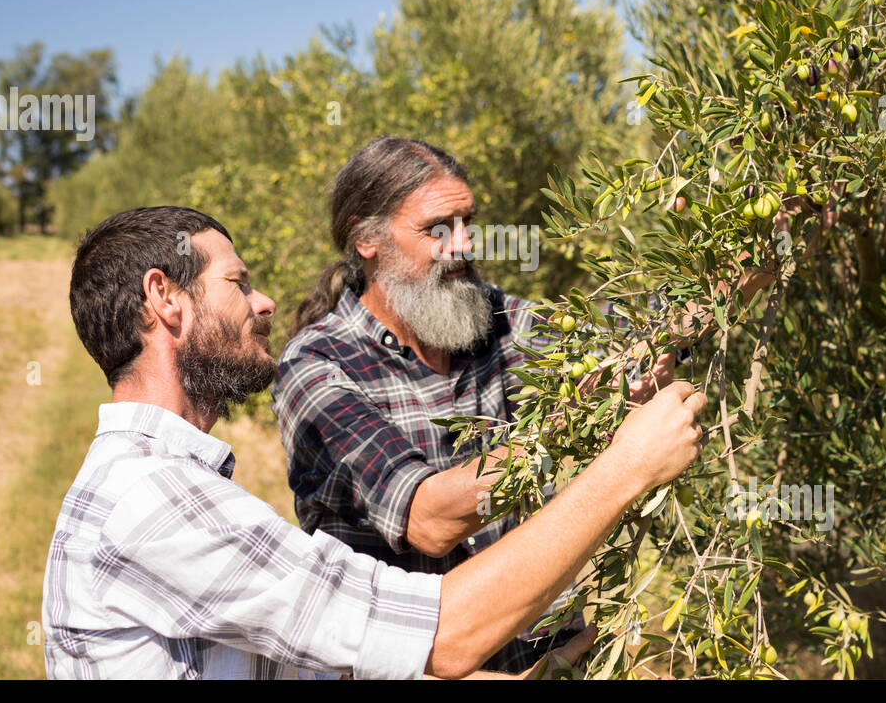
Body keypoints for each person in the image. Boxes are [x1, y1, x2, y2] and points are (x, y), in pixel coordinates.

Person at [42, 205, 706, 679]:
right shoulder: (155, 501)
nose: (264, 301)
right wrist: (626, 467)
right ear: (165, 298)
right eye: (238, 283)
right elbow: (442, 629)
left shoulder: (161, 485)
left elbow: (315, 649)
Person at [273, 137, 825, 672]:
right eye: (438, 229)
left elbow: (646, 331)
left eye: (468, 222)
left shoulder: (497, 321)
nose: (464, 244)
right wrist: (618, 460)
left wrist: (769, 249)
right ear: (367, 239)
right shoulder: (319, 365)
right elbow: (431, 518)